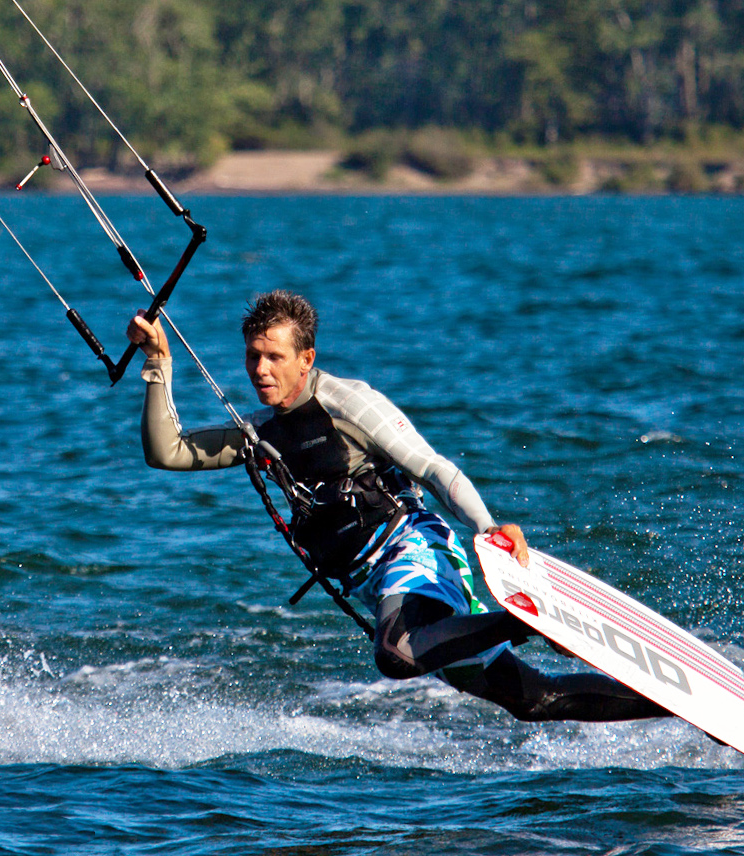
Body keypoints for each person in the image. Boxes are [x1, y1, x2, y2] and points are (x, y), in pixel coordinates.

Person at [125, 290, 670, 722]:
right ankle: (673, 709)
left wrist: (488, 530)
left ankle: (529, 623)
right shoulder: (259, 433)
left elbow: (433, 468)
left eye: (275, 357)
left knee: (397, 652)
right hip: (375, 582)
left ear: (306, 358)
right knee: (532, 701)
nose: (260, 369)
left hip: (413, 550)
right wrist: (157, 365)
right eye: (252, 356)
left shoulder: (349, 402)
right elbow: (167, 452)